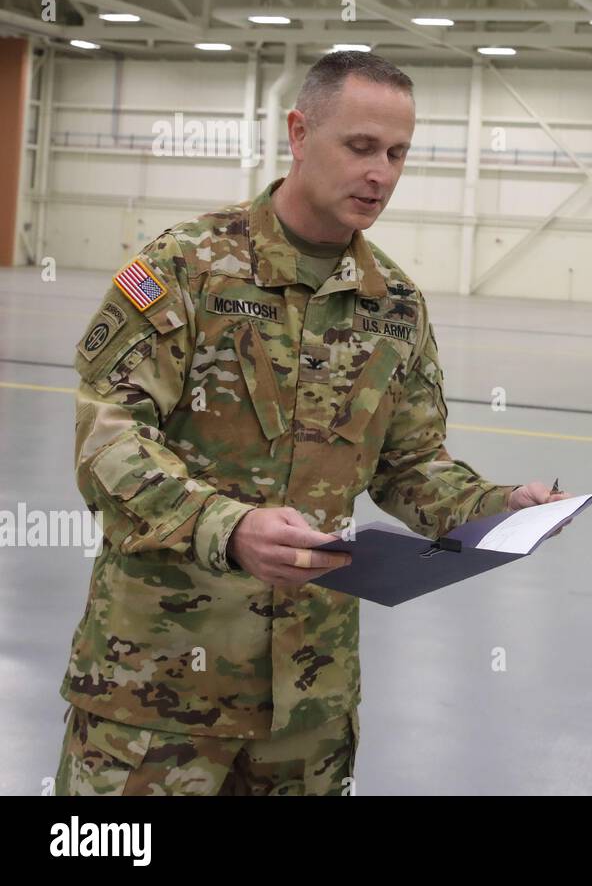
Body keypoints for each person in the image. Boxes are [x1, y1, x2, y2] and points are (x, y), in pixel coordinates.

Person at [56, 51, 562, 795]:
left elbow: (411, 465)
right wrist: (226, 526)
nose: (381, 174)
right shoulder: (185, 268)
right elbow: (108, 441)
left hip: (307, 709)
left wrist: (497, 508)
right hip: (157, 698)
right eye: (360, 147)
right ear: (299, 133)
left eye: (397, 154)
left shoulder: (395, 305)